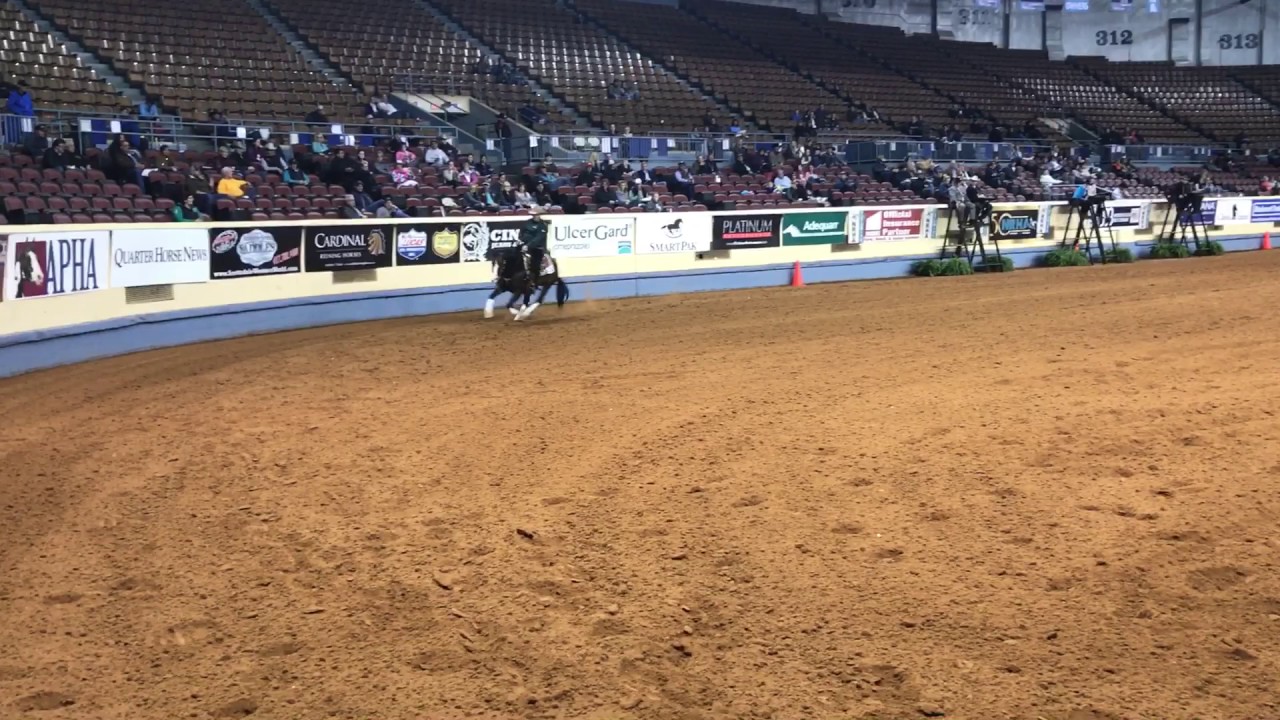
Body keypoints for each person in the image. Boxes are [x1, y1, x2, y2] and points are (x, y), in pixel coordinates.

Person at [521, 210, 549, 286]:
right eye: (535, 215)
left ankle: (534, 281)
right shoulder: (527, 223)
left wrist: (528, 246)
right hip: (525, 246)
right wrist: (520, 240)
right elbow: (522, 233)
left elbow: (538, 238)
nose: (536, 216)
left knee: (535, 264)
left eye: (538, 215)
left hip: (537, 248)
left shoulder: (543, 225)